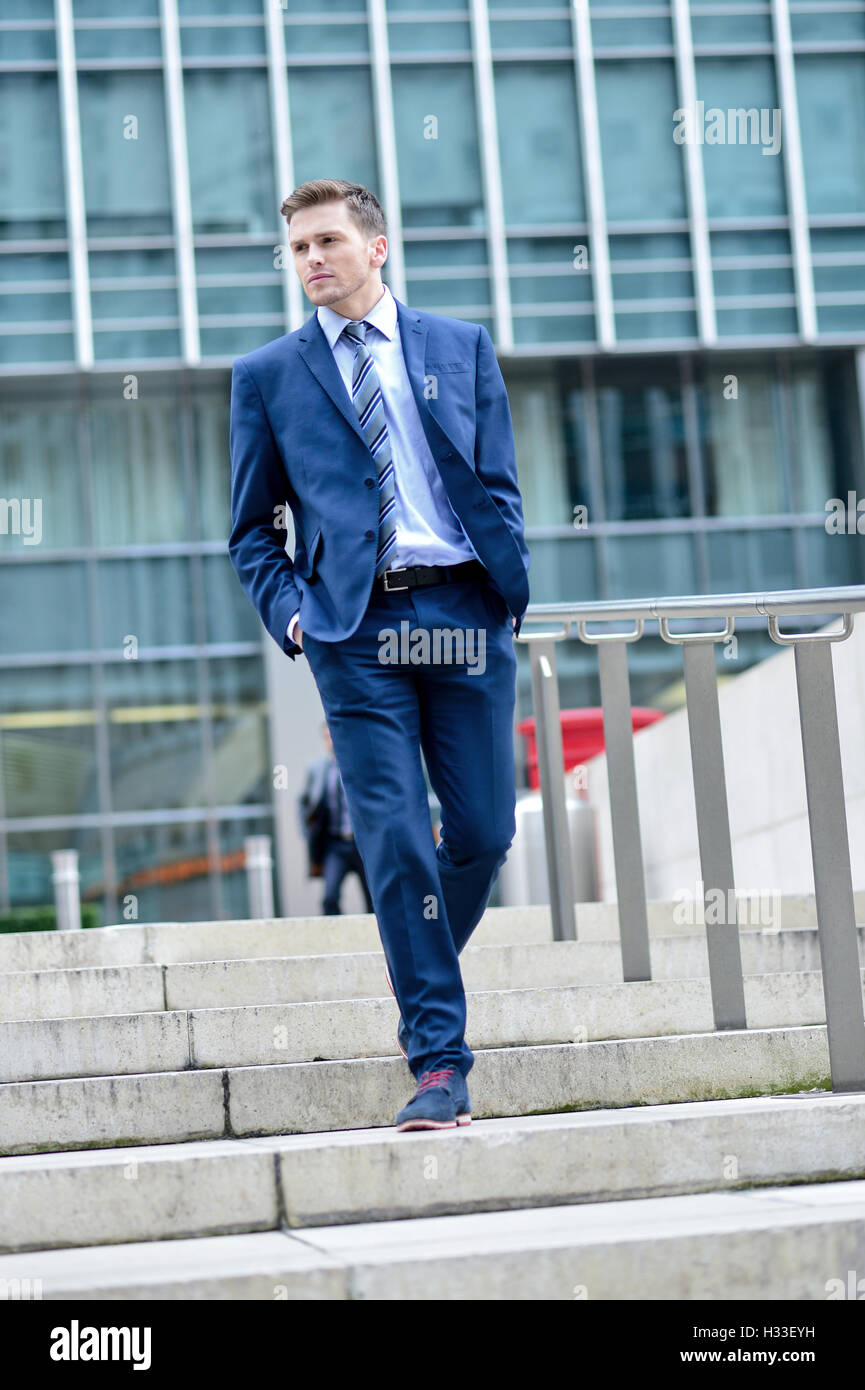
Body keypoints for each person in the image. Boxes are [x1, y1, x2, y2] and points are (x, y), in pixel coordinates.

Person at [229, 178, 530, 1131]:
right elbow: (249, 532)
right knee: (396, 842)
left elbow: (498, 483)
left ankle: (417, 958)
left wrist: (507, 590)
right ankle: (439, 1064)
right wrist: (295, 619)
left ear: (377, 247)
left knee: (483, 832)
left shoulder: (458, 346)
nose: (310, 260)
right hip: (354, 633)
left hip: (461, 613)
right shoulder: (268, 376)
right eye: (297, 249)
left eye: (326, 242)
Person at [298, 722, 374, 916]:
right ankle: (334, 940)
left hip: (362, 844)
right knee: (329, 898)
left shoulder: (361, 764)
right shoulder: (318, 769)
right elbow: (304, 802)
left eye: (332, 735)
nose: (330, 741)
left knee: (374, 897)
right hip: (336, 845)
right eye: (326, 737)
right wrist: (308, 832)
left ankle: (377, 939)